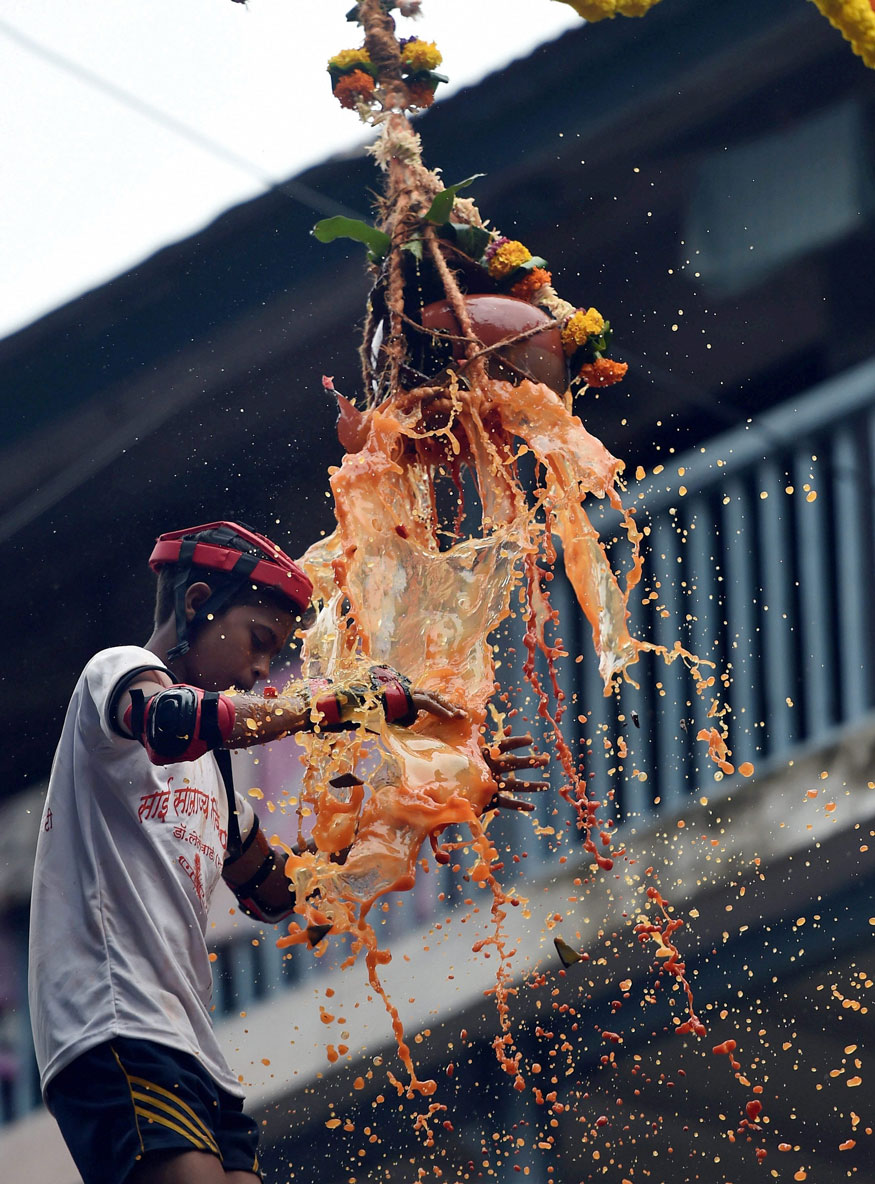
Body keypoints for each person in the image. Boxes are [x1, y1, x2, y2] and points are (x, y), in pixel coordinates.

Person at [28, 520, 546, 1184]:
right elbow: (171, 722)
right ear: (195, 607)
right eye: (259, 641)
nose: (259, 670)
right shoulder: (118, 673)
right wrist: (339, 705)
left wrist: (428, 808)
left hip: (188, 1045)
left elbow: (281, 895)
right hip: (112, 1025)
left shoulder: (217, 781)